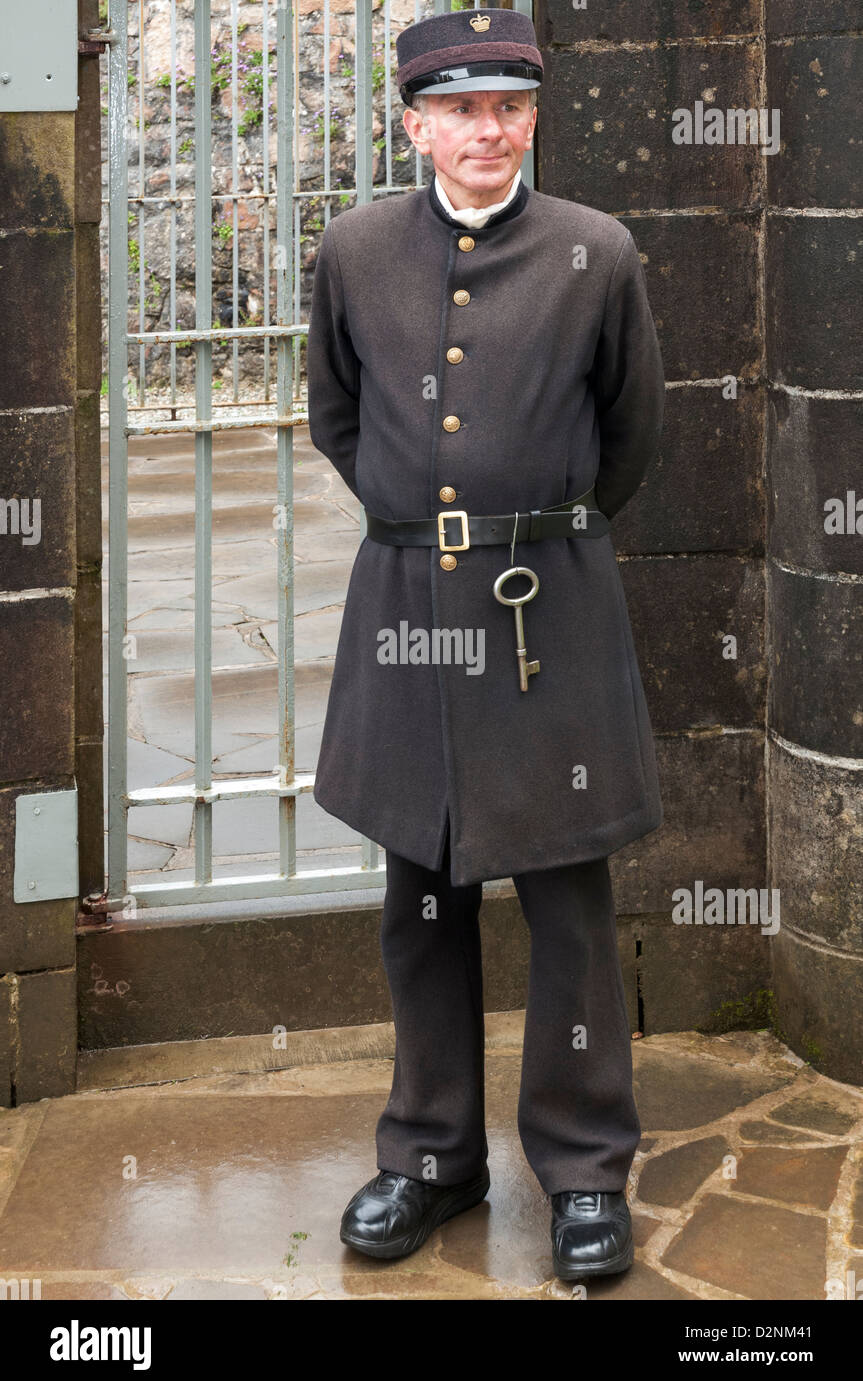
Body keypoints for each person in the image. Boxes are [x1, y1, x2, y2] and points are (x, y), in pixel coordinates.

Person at [306, 7, 665, 1281]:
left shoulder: (596, 252)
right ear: (415, 121)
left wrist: (532, 534)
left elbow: (628, 440)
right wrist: (423, 532)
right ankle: (428, 1157)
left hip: (543, 612)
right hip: (407, 609)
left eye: (506, 107)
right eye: (457, 109)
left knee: (566, 900)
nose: (484, 131)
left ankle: (579, 1173)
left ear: (532, 117)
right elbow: (336, 419)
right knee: (419, 899)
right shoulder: (353, 251)